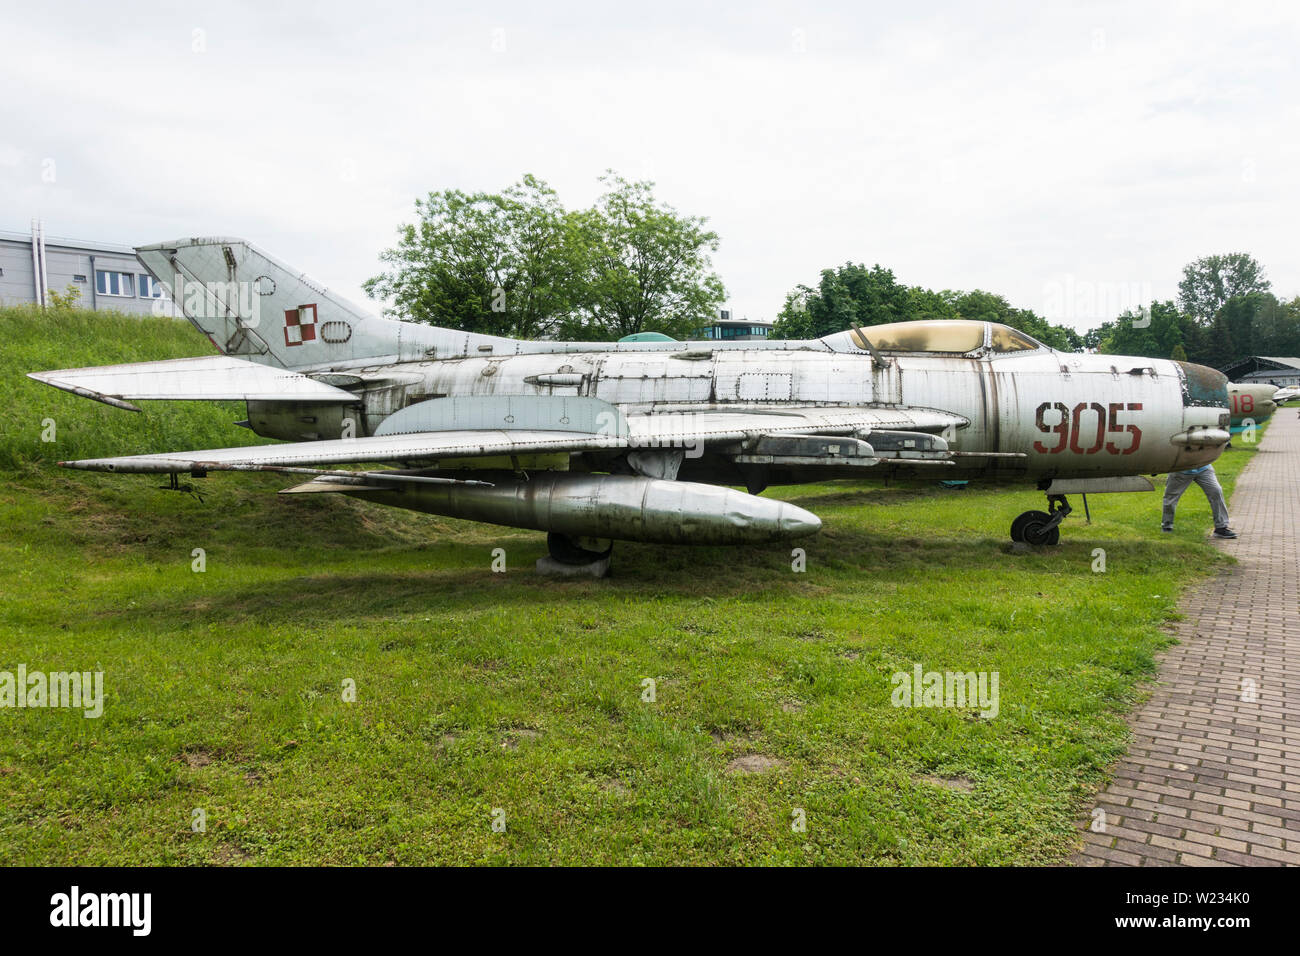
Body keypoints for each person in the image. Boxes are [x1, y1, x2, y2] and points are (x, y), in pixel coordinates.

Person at [1162, 463, 1238, 538]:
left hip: (1203, 468)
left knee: (1216, 492)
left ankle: (1221, 528)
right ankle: (1167, 526)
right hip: (1180, 470)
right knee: (1170, 499)